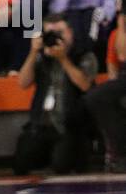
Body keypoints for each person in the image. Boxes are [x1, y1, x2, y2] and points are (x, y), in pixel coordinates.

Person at [14, 16, 96, 174]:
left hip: (70, 125)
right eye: (50, 33)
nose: (56, 37)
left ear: (70, 33)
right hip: (42, 124)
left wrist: (64, 59)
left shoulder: (84, 54)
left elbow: (85, 85)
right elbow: (23, 83)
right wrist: (33, 52)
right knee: (20, 164)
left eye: (60, 32)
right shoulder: (41, 56)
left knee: (61, 166)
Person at [83, 5, 126, 172]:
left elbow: (123, 55)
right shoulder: (117, 35)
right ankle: (120, 153)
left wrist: (121, 20)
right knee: (98, 97)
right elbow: (114, 71)